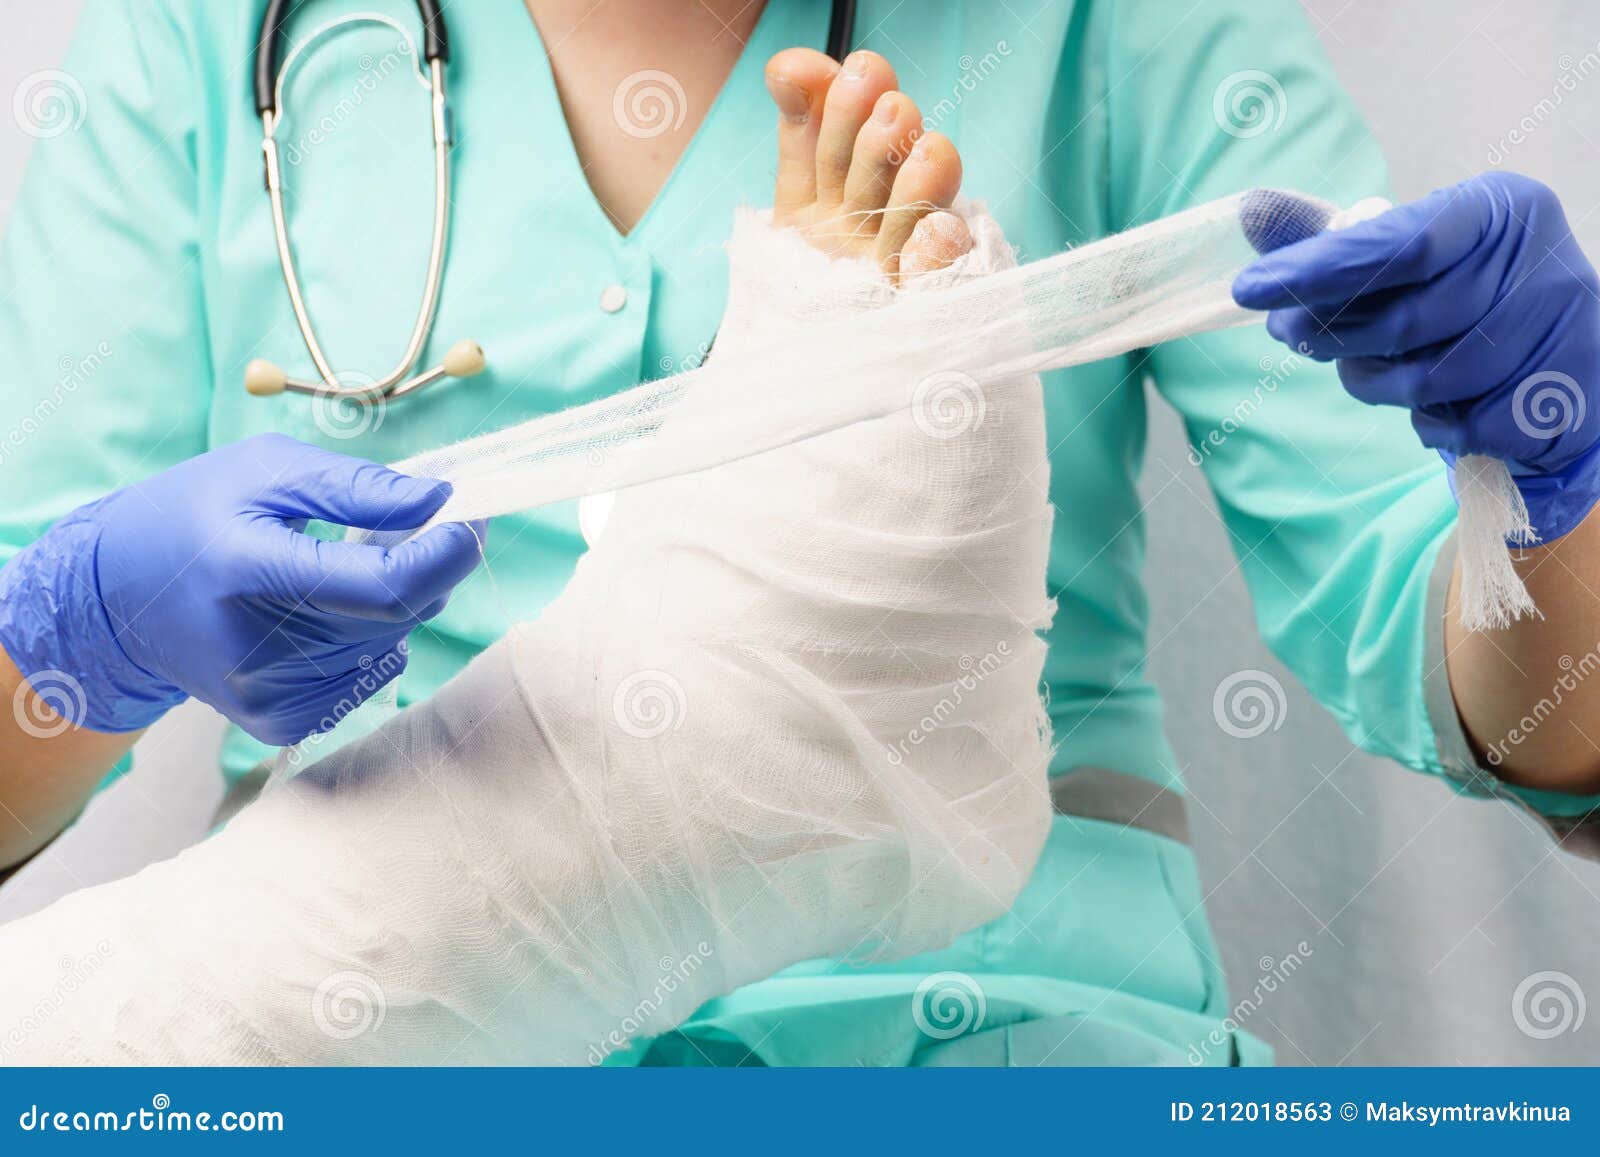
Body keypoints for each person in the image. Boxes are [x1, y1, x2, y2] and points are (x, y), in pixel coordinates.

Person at [0, 0, 1597, 1065]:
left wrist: (1555, 476)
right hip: (366, 1034)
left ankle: (829, 742)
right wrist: (76, 641)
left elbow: (1477, 660)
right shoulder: (202, 34)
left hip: (996, 1038)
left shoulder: (1121, 22)